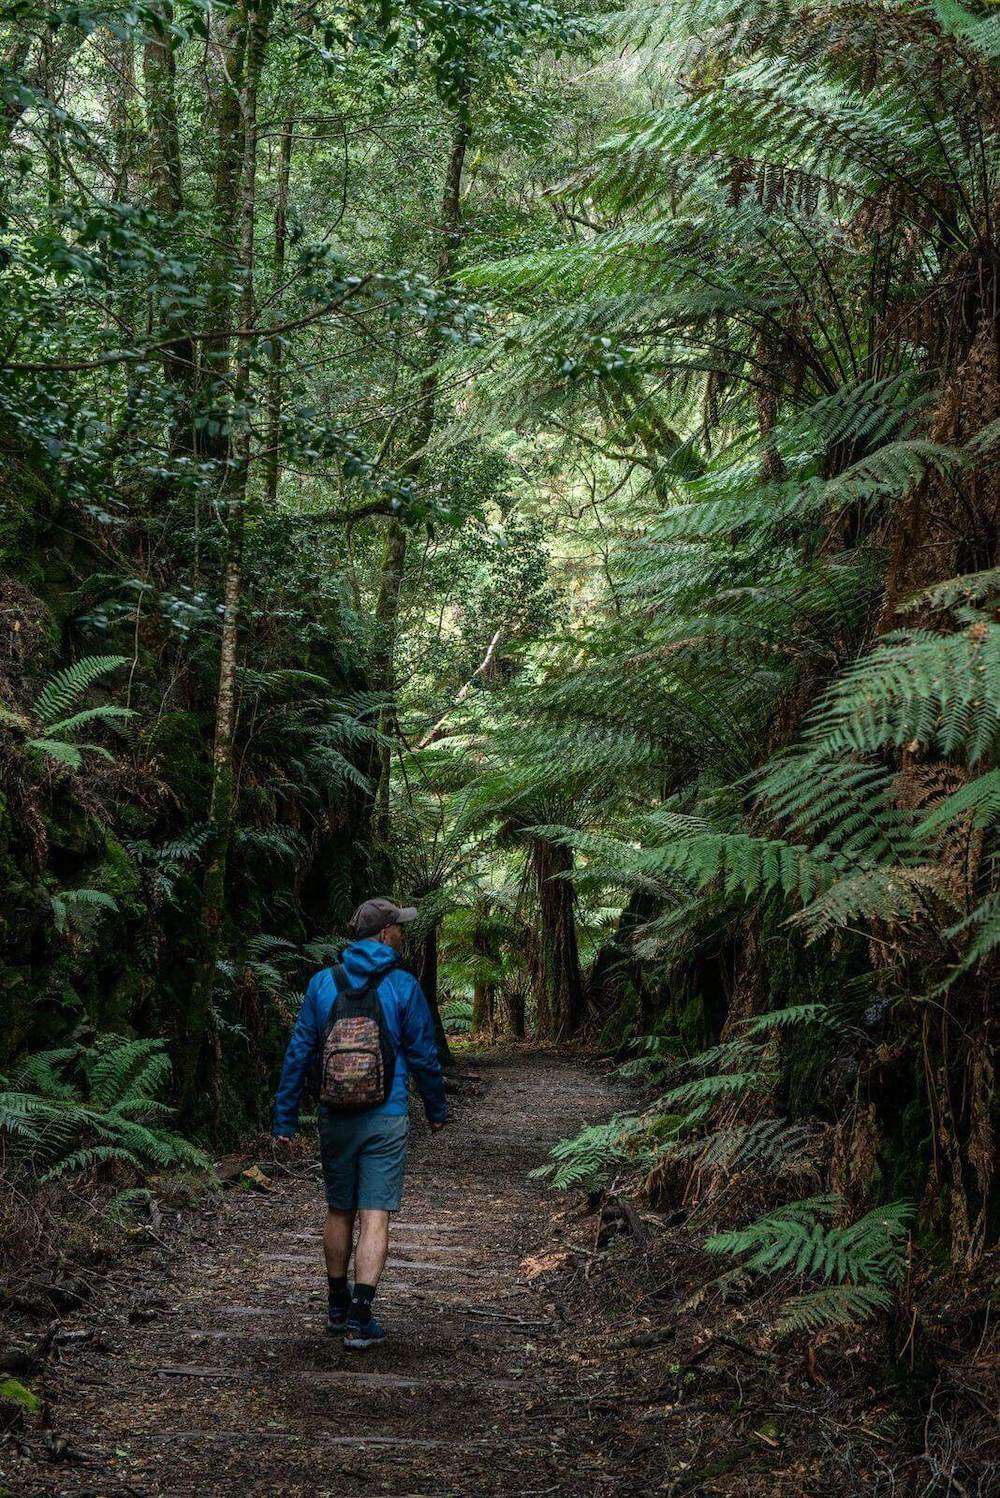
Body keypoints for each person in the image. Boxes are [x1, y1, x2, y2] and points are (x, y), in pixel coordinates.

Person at [272, 897, 448, 1350]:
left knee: (339, 1209)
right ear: (386, 933)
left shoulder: (321, 984)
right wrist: (435, 1109)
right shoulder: (403, 985)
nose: (404, 935)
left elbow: (299, 1053)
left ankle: (335, 1306)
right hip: (386, 1115)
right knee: (375, 1214)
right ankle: (361, 1317)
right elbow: (425, 1054)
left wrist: (285, 1119)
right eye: (400, 928)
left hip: (334, 1114)